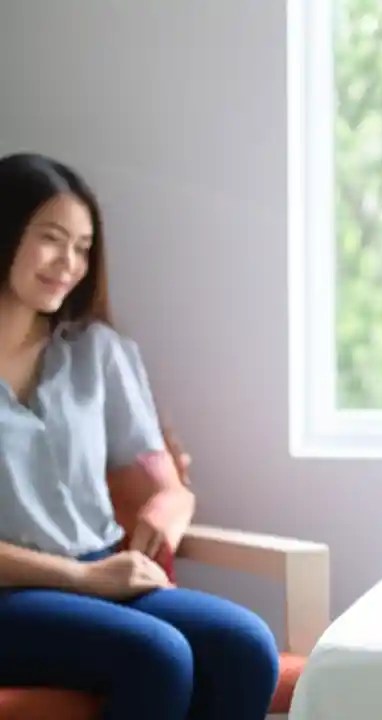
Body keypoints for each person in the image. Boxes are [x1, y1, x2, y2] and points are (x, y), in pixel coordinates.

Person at [0, 152, 278, 718]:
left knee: (245, 646)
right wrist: (83, 578)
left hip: (99, 572)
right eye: (51, 239)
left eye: (83, 248)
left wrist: (162, 517)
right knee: (155, 654)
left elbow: (168, 488)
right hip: (15, 594)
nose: (69, 264)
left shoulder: (96, 353)